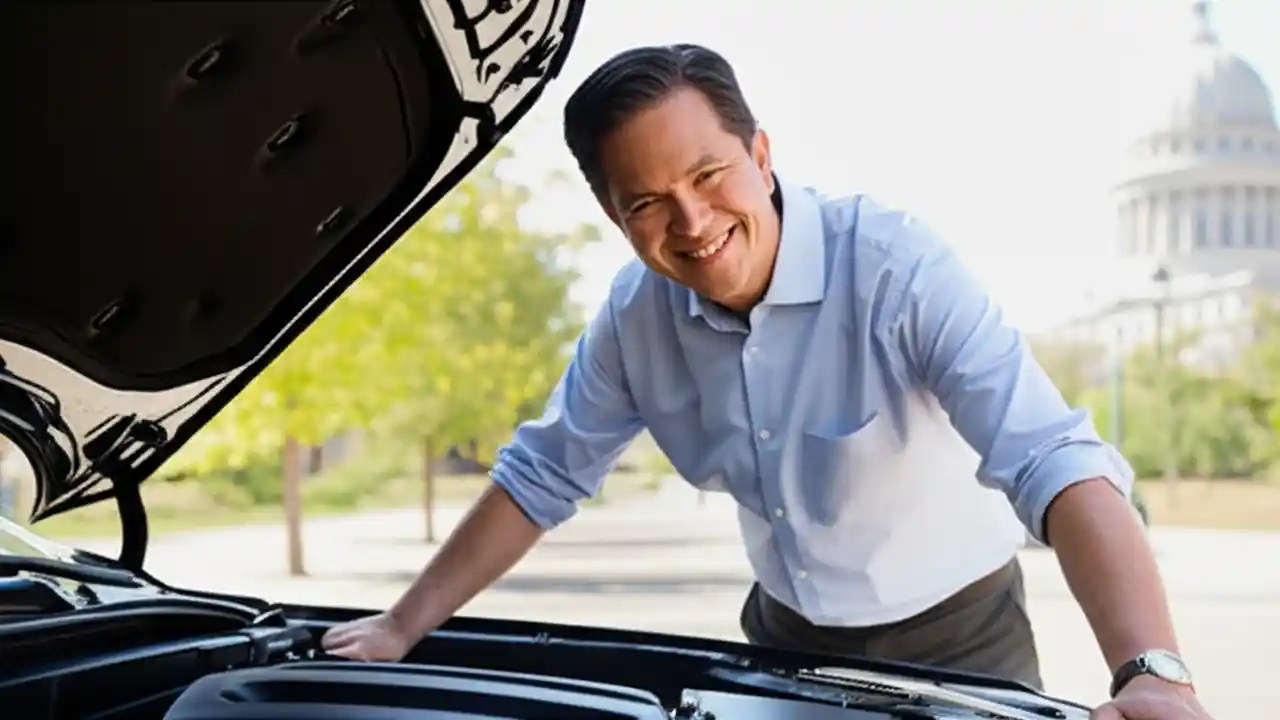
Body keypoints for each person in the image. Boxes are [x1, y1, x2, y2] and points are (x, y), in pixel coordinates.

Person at [322, 44, 1212, 719]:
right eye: (647, 202)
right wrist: (401, 628)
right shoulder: (636, 317)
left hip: (962, 633)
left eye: (709, 174)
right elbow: (542, 476)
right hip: (782, 639)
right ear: (613, 213)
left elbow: (1053, 460)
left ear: (761, 152)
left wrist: (1152, 671)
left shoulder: (897, 271)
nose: (693, 221)